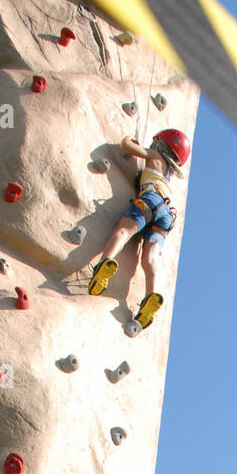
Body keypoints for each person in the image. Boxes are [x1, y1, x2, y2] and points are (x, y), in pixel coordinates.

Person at [88, 127, 191, 330]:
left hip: (150, 198)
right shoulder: (168, 172)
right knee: (150, 257)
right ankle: (150, 295)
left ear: (161, 144)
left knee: (124, 230)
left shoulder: (155, 155)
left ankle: (105, 263)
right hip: (167, 214)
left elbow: (126, 146)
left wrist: (131, 140)